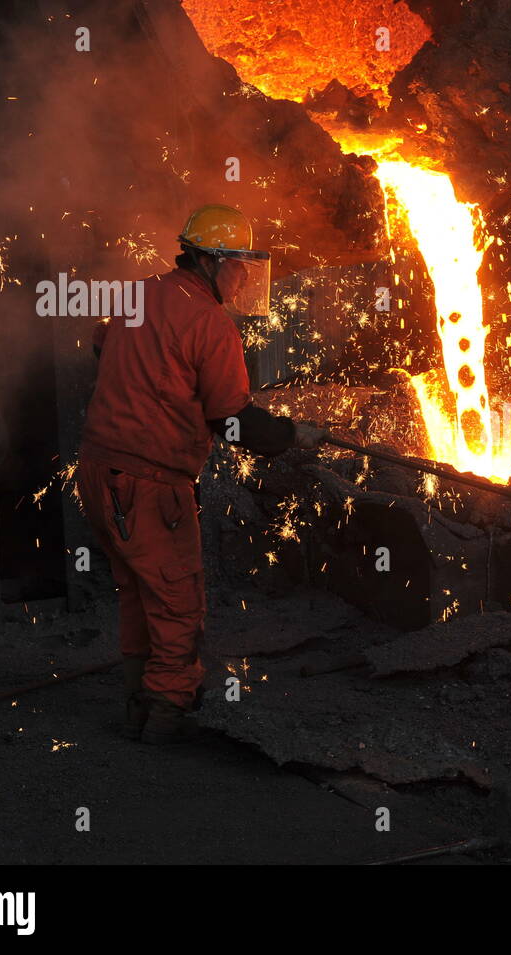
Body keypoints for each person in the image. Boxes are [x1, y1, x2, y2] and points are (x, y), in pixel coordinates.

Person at [77, 204, 326, 744]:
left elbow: (103, 344)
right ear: (210, 261)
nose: (243, 279)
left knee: (136, 592)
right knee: (176, 599)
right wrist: (290, 436)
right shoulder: (210, 323)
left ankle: (135, 705)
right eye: (238, 265)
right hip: (149, 483)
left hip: (99, 470)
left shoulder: (138, 294)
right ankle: (166, 715)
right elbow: (229, 418)